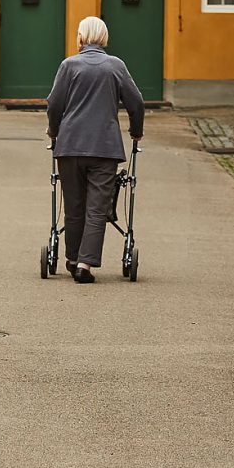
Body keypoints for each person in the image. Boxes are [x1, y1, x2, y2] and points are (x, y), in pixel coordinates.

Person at [46, 16, 144, 284]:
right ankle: (85, 265)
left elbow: (54, 104)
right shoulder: (116, 66)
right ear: (104, 38)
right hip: (105, 148)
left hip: (70, 146)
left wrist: (53, 131)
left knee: (74, 206)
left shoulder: (69, 66)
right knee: (97, 208)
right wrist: (136, 131)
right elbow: (136, 103)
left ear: (80, 37)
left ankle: (71, 258)